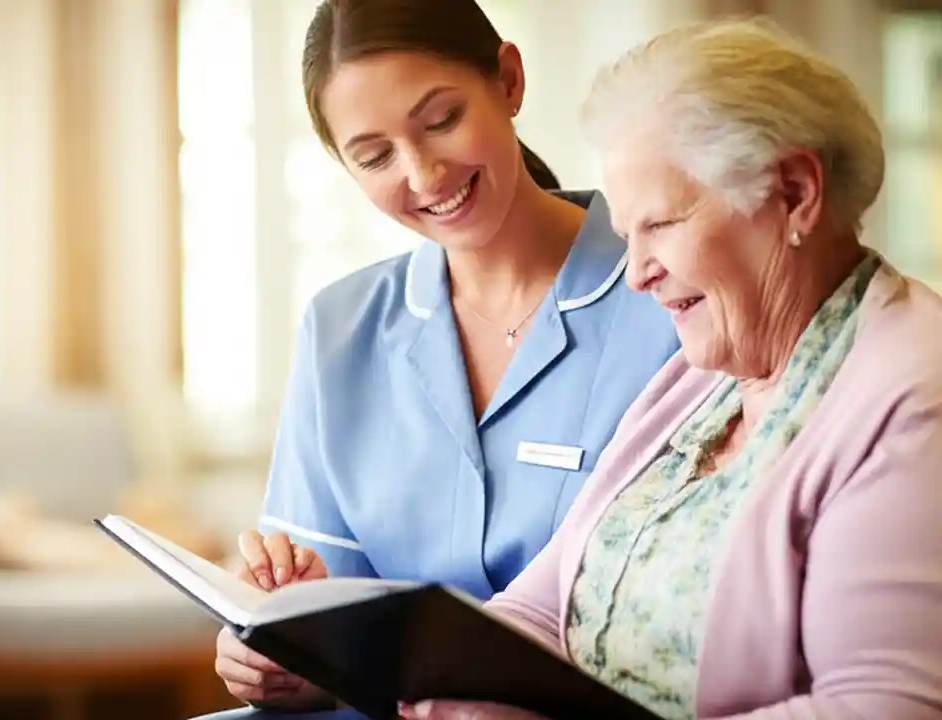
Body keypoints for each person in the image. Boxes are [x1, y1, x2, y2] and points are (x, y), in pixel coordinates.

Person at [400, 18, 942, 720]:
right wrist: (452, 679)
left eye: (661, 226)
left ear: (796, 192)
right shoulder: (704, 379)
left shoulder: (913, 395)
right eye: (627, 236)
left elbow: (885, 707)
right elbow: (544, 603)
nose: (638, 275)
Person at [208, 0, 680, 714]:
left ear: (510, 81)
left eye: (441, 121)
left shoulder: (672, 296)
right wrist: (282, 659)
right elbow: (327, 615)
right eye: (374, 156)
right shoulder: (340, 328)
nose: (424, 174)